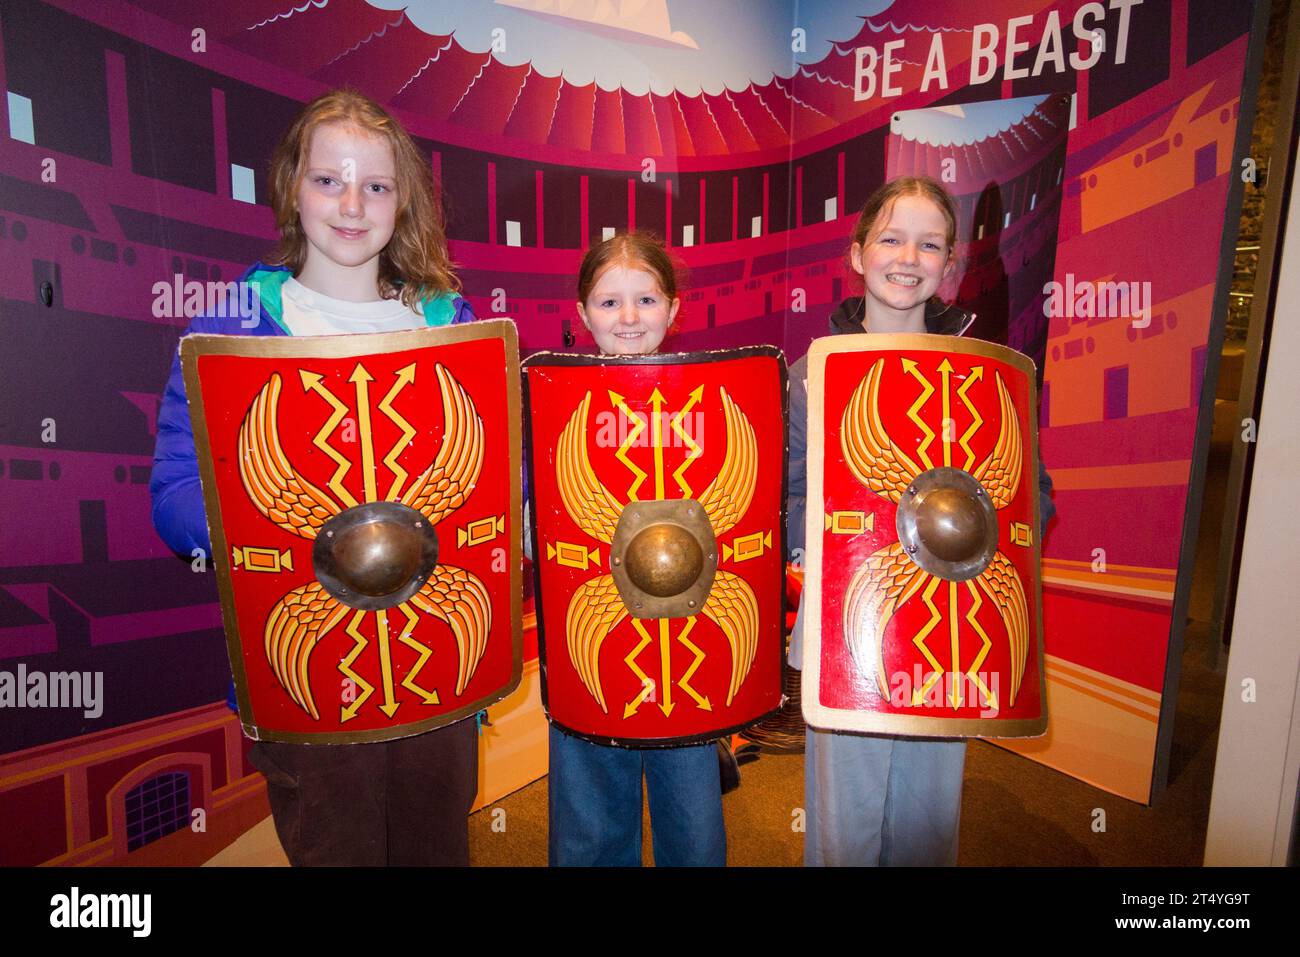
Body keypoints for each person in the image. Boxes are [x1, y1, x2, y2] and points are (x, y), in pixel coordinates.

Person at [149, 89, 479, 866]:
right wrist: (283, 517)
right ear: (292, 187)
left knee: (438, 845)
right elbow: (173, 497)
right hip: (308, 656)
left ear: (404, 202)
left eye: (377, 185)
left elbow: (501, 476)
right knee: (339, 847)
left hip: (435, 654)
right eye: (330, 180)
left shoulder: (450, 323)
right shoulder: (234, 326)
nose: (353, 204)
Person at [787, 176, 1056, 866]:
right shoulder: (808, 376)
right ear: (857, 252)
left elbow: (1034, 493)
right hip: (849, 623)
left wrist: (996, 546)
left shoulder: (982, 377)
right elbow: (789, 491)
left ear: (949, 265)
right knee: (843, 827)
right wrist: (807, 550)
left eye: (930, 243)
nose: (909, 257)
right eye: (892, 237)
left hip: (951, 627)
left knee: (927, 825)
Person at [542, 232, 728, 867]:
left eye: (646, 299)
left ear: (674, 310)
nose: (628, 318)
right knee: (591, 814)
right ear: (582, 312)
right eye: (609, 302)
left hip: (687, 641)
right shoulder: (547, 400)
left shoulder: (711, 402)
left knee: (692, 812)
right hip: (590, 633)